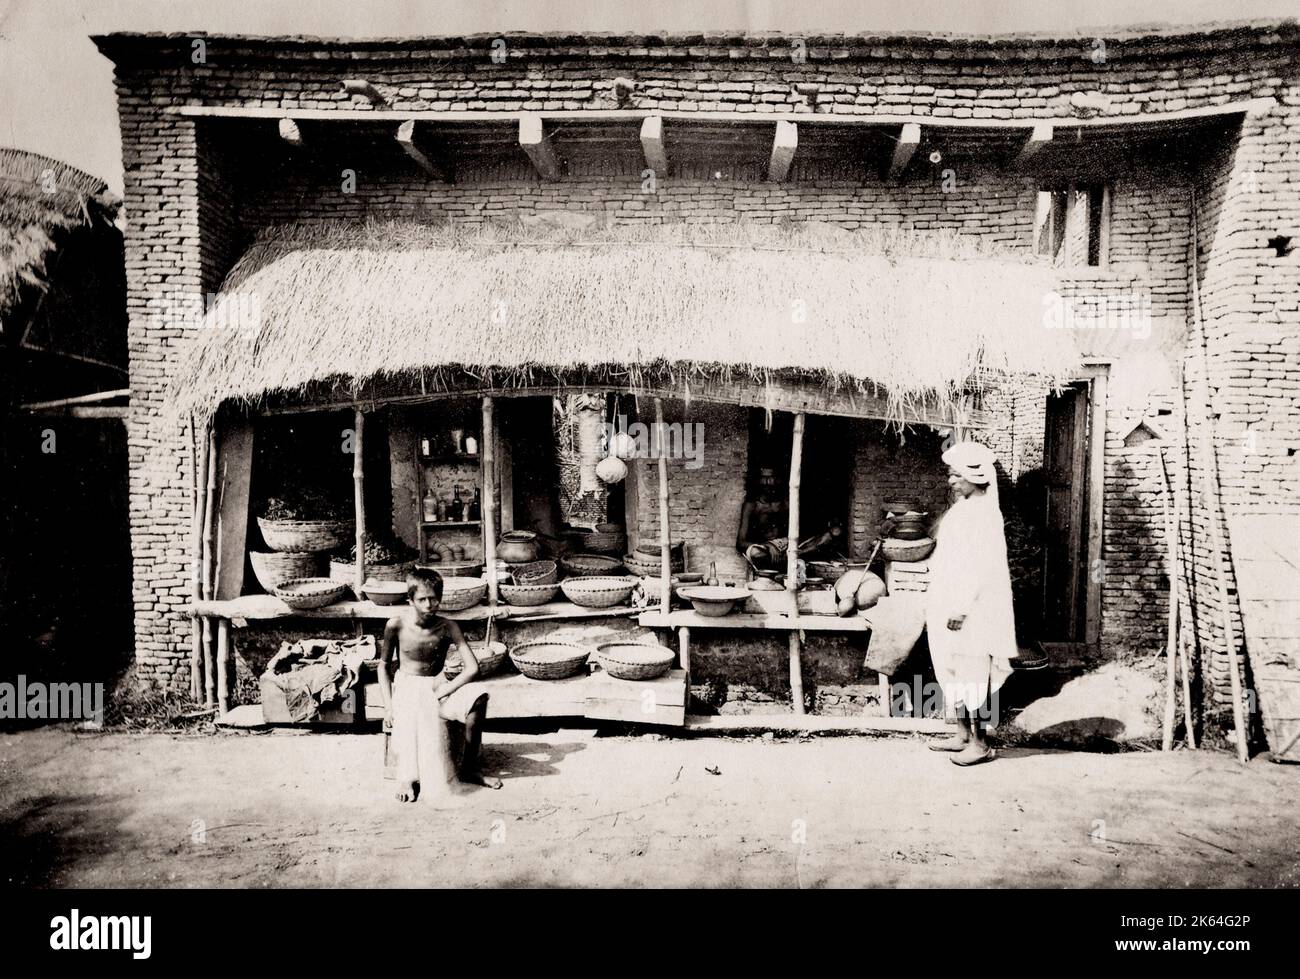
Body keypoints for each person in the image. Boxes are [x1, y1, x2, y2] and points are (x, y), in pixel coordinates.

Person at [925, 441, 1017, 766]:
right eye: (950, 474)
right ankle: (962, 733)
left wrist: (961, 608)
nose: (951, 480)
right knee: (952, 665)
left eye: (956, 475)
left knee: (972, 670)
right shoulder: (963, 509)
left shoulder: (985, 513)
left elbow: (979, 567)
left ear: (973, 476)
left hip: (974, 607)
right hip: (950, 599)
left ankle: (980, 742)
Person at [378, 568, 502, 802]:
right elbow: (383, 666)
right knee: (414, 714)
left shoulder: (448, 626)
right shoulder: (396, 625)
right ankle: (407, 778)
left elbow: (472, 668)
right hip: (407, 690)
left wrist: (446, 689)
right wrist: (388, 707)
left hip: (438, 686)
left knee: (479, 696)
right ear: (410, 600)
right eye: (422, 599)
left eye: (434, 598)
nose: (429, 605)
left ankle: (470, 768)